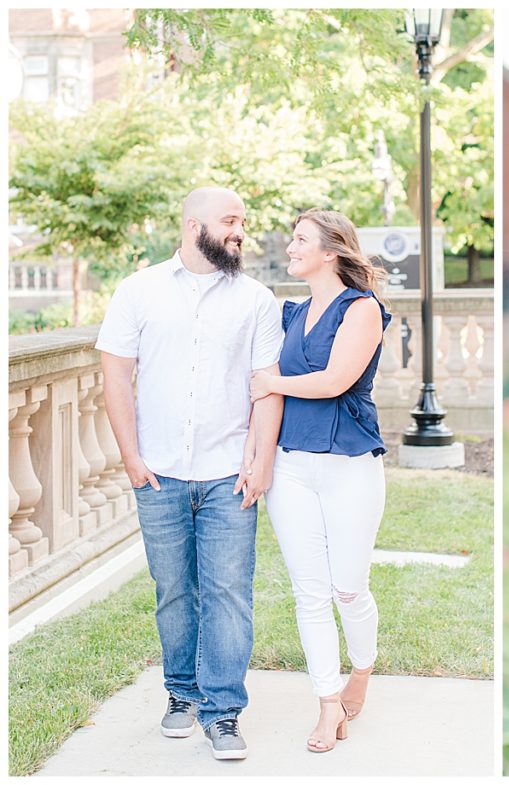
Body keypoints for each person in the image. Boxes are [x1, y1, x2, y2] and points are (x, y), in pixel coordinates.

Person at [98, 186, 285, 760]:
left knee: (228, 593)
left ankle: (223, 712)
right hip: (160, 474)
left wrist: (260, 461)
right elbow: (115, 376)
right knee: (173, 590)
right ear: (192, 225)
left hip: (229, 475)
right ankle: (181, 694)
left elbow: (266, 387)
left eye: (242, 222)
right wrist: (131, 458)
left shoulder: (256, 298)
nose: (239, 231)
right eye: (230, 220)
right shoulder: (138, 291)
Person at [248, 209, 390, 753]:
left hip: (350, 464)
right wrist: (257, 457)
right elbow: (268, 398)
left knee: (348, 588)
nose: (291, 245)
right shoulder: (291, 314)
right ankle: (327, 703)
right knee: (309, 593)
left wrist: (270, 379)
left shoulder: (363, 309)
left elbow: (334, 381)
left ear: (331, 251)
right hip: (291, 466)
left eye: (301, 239)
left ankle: (362, 669)